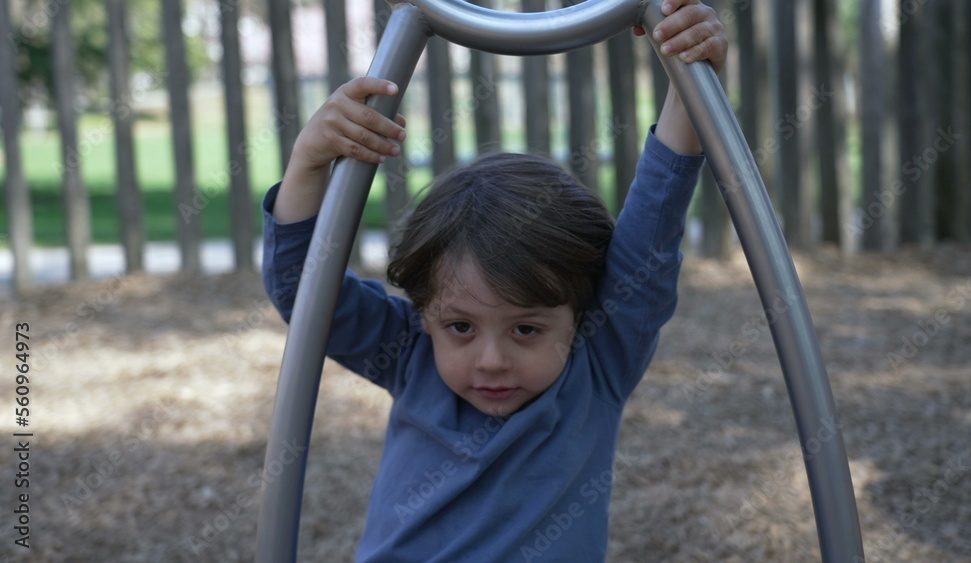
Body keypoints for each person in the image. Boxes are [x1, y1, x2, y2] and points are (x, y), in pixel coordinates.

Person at [262, 1, 727, 560]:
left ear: (581, 316)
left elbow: (656, 215)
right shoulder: (412, 356)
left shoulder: (598, 364)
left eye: (526, 329)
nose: (490, 361)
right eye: (460, 326)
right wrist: (309, 163)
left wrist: (687, 70)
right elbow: (303, 292)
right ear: (425, 314)